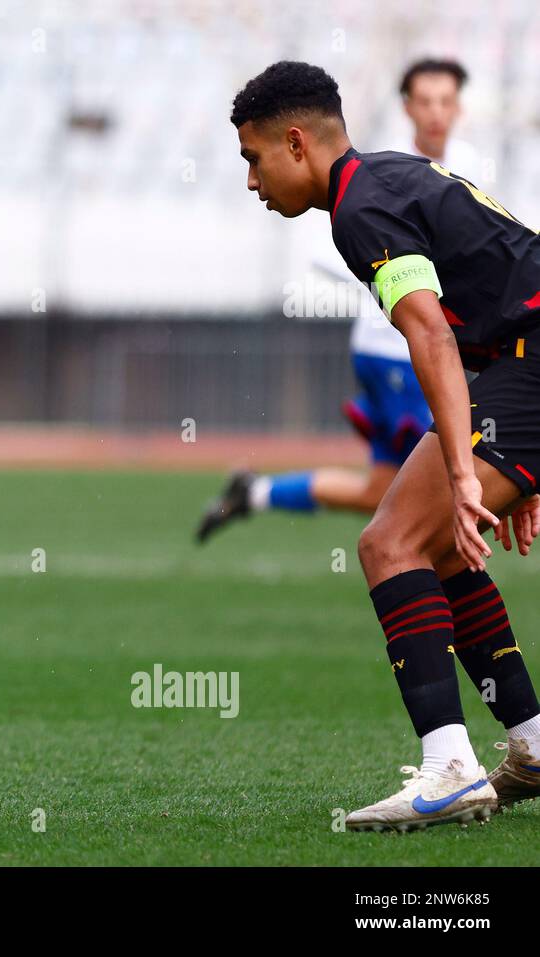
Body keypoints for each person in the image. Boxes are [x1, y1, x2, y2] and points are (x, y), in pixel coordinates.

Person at [231, 60, 540, 831]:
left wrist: (466, 469)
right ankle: (533, 745)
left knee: (389, 544)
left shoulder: (359, 207)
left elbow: (430, 329)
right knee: (431, 549)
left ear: (295, 142)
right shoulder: (386, 178)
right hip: (521, 362)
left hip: (529, 362)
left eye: (251, 157)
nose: (250, 180)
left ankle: (449, 767)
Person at [197, 60, 477, 541]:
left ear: (459, 108)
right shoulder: (371, 169)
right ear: (407, 107)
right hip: (395, 349)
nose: (436, 113)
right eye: (425, 101)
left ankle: (256, 493)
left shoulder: (466, 164)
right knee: (439, 505)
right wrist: (394, 274)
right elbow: (341, 253)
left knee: (383, 494)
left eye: (445, 101)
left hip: (425, 343)